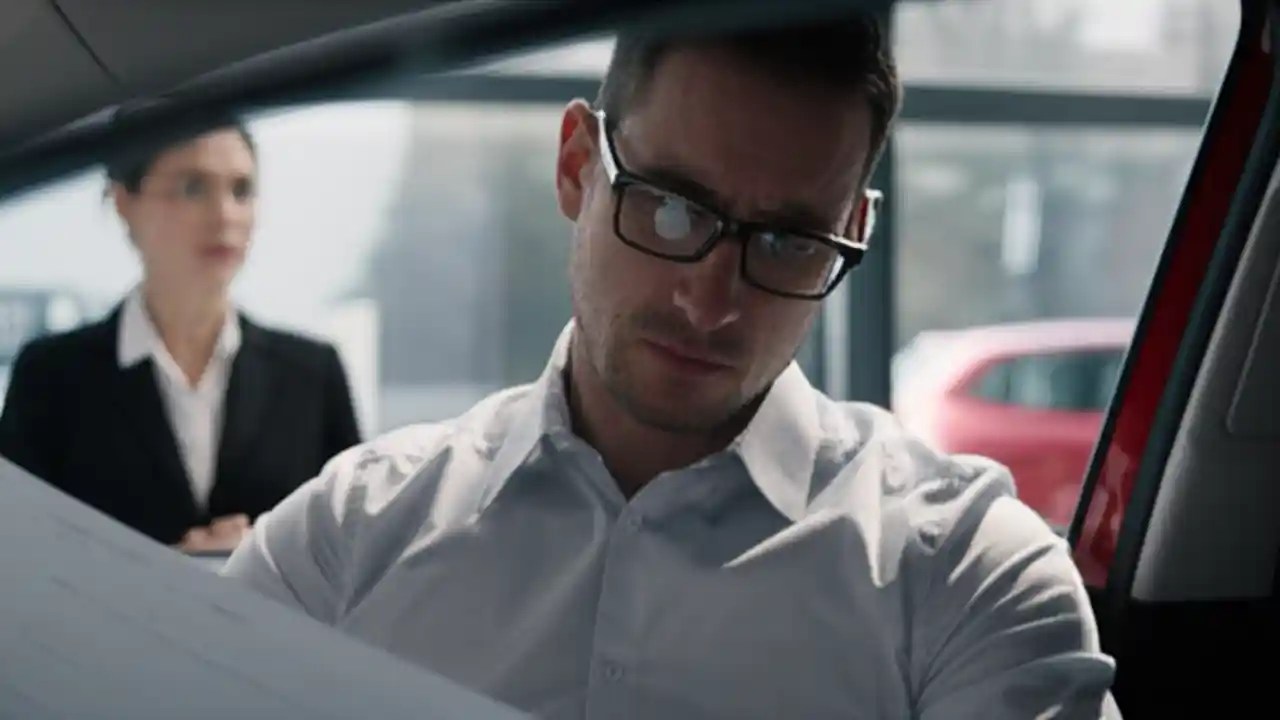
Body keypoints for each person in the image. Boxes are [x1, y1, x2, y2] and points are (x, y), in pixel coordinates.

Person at [222, 16, 1117, 719]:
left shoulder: (966, 574)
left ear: (854, 236)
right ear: (578, 165)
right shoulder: (346, 543)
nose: (711, 300)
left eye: (787, 242)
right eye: (674, 211)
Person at [0, 115, 362, 553]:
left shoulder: (312, 374)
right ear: (123, 202)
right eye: (193, 188)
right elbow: (17, 557)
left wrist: (258, 557)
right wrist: (172, 569)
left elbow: (354, 553)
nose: (225, 214)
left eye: (241, 190)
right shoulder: (51, 377)